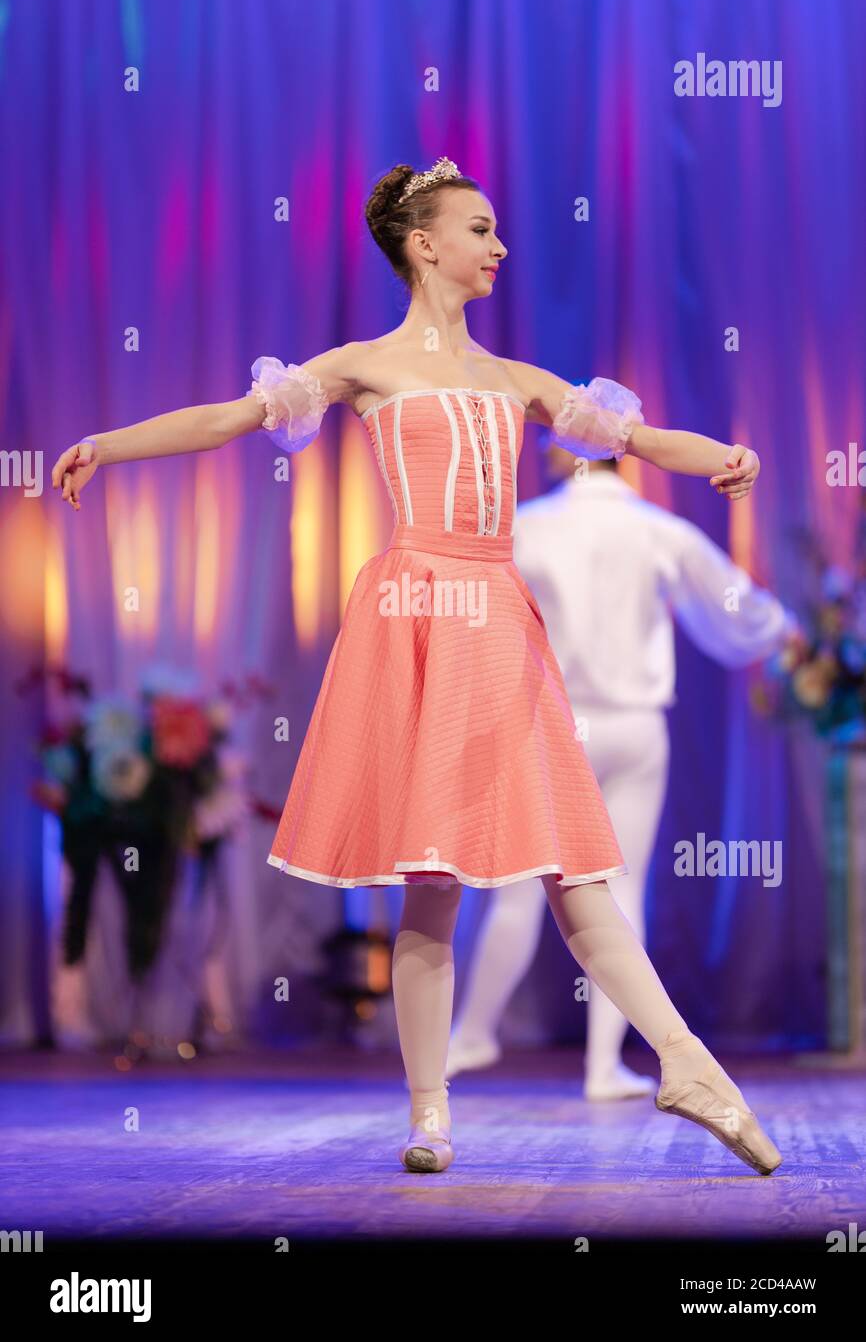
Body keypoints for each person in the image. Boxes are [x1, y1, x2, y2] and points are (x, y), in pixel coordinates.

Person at [52, 156, 781, 1177]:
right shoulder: (364, 365)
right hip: (414, 615)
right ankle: (430, 1110)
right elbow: (226, 419)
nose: (499, 246)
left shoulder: (512, 380)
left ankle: (684, 1061)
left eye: (496, 230)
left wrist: (721, 458)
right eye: (479, 229)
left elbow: (637, 435)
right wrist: (107, 443)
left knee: (575, 865)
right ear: (423, 243)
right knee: (429, 884)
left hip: (494, 620)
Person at [447, 441, 800, 1101]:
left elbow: (477, 618)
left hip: (554, 723)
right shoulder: (657, 529)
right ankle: (601, 1066)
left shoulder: (528, 526)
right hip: (635, 728)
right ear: (622, 456)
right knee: (619, 892)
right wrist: (784, 630)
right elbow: (733, 599)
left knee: (520, 888)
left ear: (561, 458)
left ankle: (473, 1030)